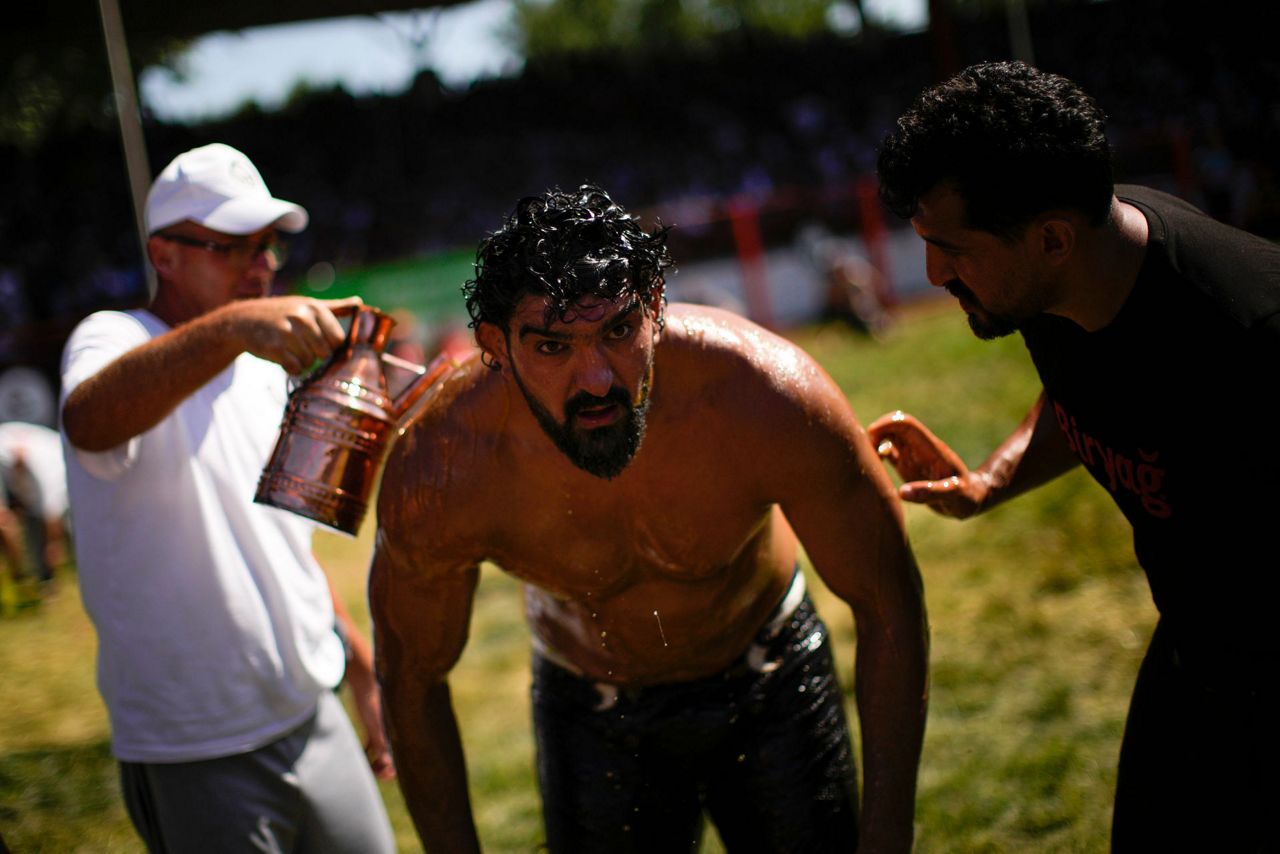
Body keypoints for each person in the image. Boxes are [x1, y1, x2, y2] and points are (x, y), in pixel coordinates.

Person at [370, 184, 929, 853]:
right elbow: (411, 677)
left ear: (655, 310)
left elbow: (888, 599)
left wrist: (889, 832)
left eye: (617, 331)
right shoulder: (443, 466)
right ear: (495, 344)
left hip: (770, 675)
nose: (597, 379)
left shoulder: (762, 395)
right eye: (552, 347)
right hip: (592, 710)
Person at [871, 61, 1277, 852]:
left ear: (1052, 237)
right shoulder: (1061, 283)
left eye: (950, 248)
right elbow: (1082, 386)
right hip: (1196, 649)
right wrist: (992, 479)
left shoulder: (1247, 345)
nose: (932, 275)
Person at [59, 142, 396, 852]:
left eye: (269, 244)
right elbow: (89, 420)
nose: (264, 265)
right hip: (193, 747)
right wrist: (238, 328)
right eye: (233, 245)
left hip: (312, 709)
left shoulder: (262, 370)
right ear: (164, 255)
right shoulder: (111, 336)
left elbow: (276, 542)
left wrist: (360, 665)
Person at [0, 420, 69, 594]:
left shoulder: (48, 472)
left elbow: (51, 517)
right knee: (5, 522)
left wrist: (52, 545)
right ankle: (19, 577)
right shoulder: (5, 453)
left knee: (47, 537)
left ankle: (46, 579)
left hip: (58, 472)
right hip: (17, 479)